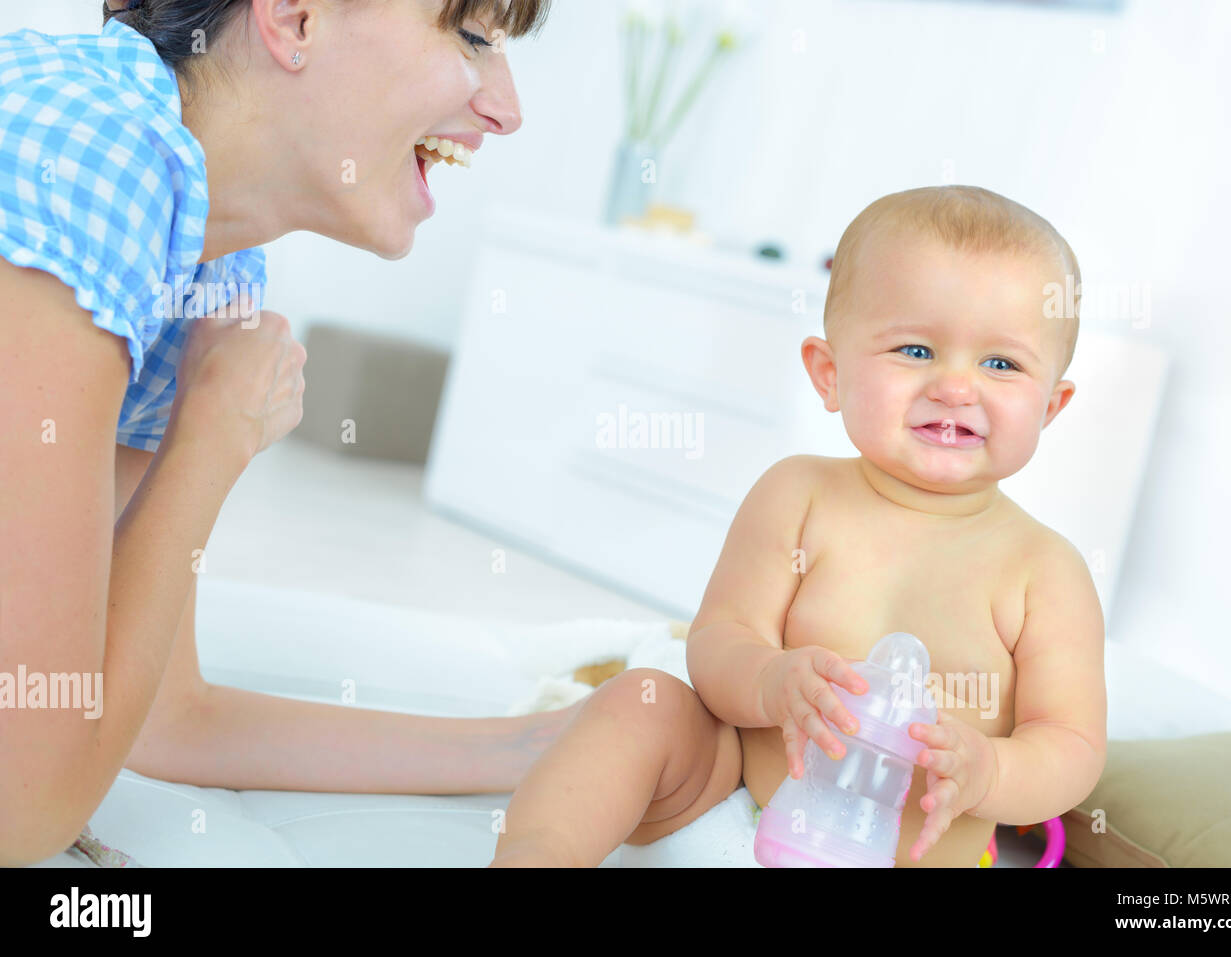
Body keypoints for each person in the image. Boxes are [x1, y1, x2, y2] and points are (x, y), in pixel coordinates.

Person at [0, 0, 573, 868]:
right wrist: (209, 437)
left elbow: (162, 716)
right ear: (296, 18)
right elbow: (22, 804)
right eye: (471, 38)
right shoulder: (89, 150)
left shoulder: (212, 254)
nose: (507, 108)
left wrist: (531, 745)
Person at [490, 185, 1108, 868]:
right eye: (915, 350)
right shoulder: (798, 495)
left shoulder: (1044, 571)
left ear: (1050, 407)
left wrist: (990, 770)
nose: (956, 387)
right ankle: (536, 856)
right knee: (643, 703)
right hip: (734, 802)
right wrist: (770, 678)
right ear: (829, 372)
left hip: (908, 857)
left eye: (1001, 363)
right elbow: (720, 639)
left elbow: (1071, 746)